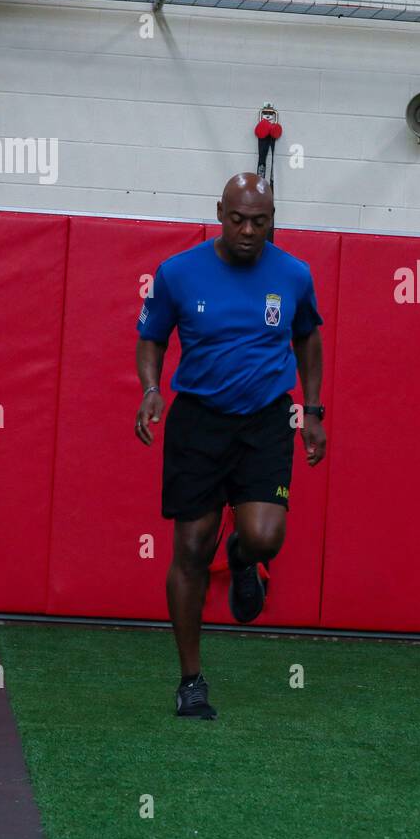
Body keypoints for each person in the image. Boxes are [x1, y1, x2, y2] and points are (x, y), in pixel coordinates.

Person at [134, 173, 326, 720]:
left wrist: (311, 411)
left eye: (259, 221)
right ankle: (191, 677)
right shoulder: (177, 272)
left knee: (264, 536)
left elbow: (308, 336)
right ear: (220, 211)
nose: (247, 230)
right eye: (237, 218)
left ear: (272, 219)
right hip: (198, 420)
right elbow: (151, 339)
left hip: (265, 417)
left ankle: (244, 560)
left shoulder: (293, 274)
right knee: (192, 548)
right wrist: (151, 390)